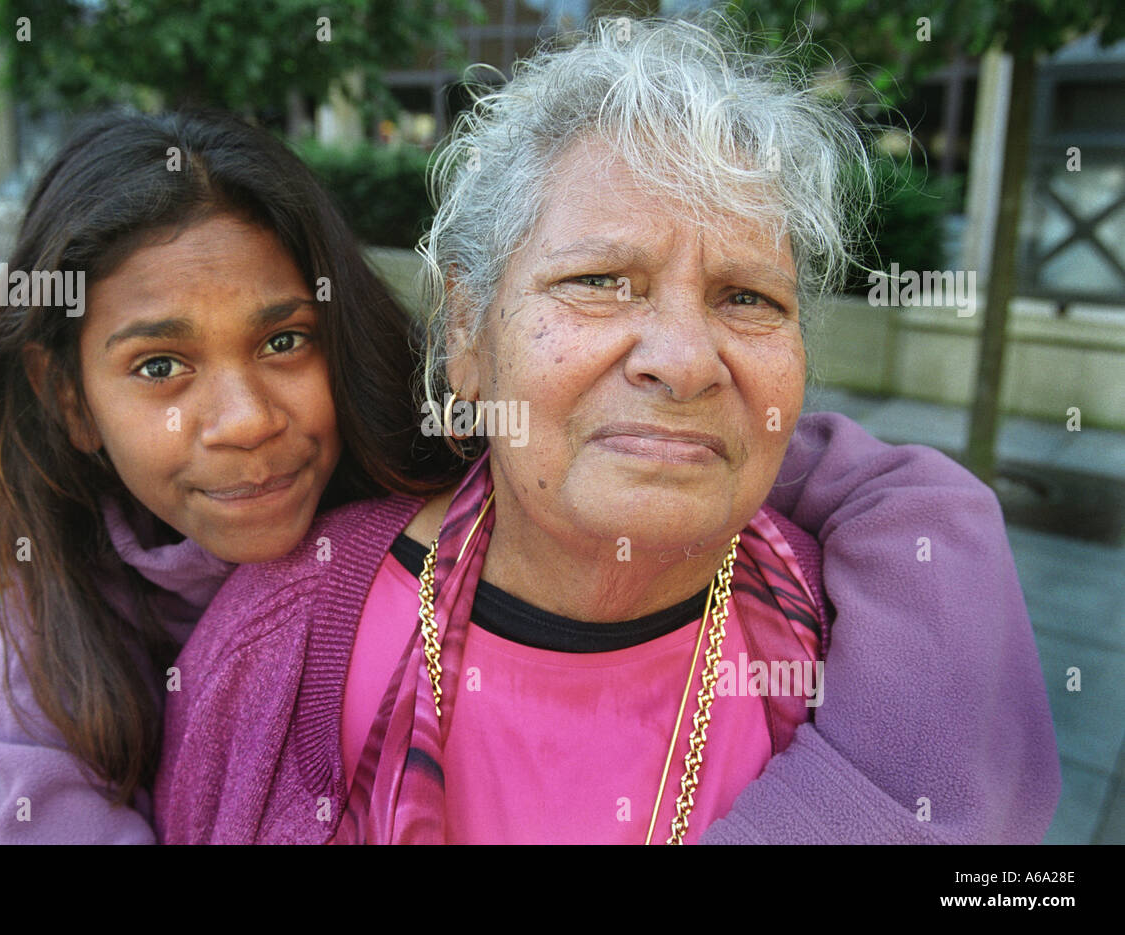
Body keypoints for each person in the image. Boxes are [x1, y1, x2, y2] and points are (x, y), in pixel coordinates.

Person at [154, 20, 1059, 844]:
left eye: (748, 297)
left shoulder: (862, 647)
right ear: (468, 337)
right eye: (599, 279)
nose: (683, 359)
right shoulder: (284, 640)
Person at [0, 110, 463, 843]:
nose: (246, 420)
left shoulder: (444, 537)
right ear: (72, 401)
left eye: (283, 341)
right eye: (160, 366)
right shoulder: (51, 608)